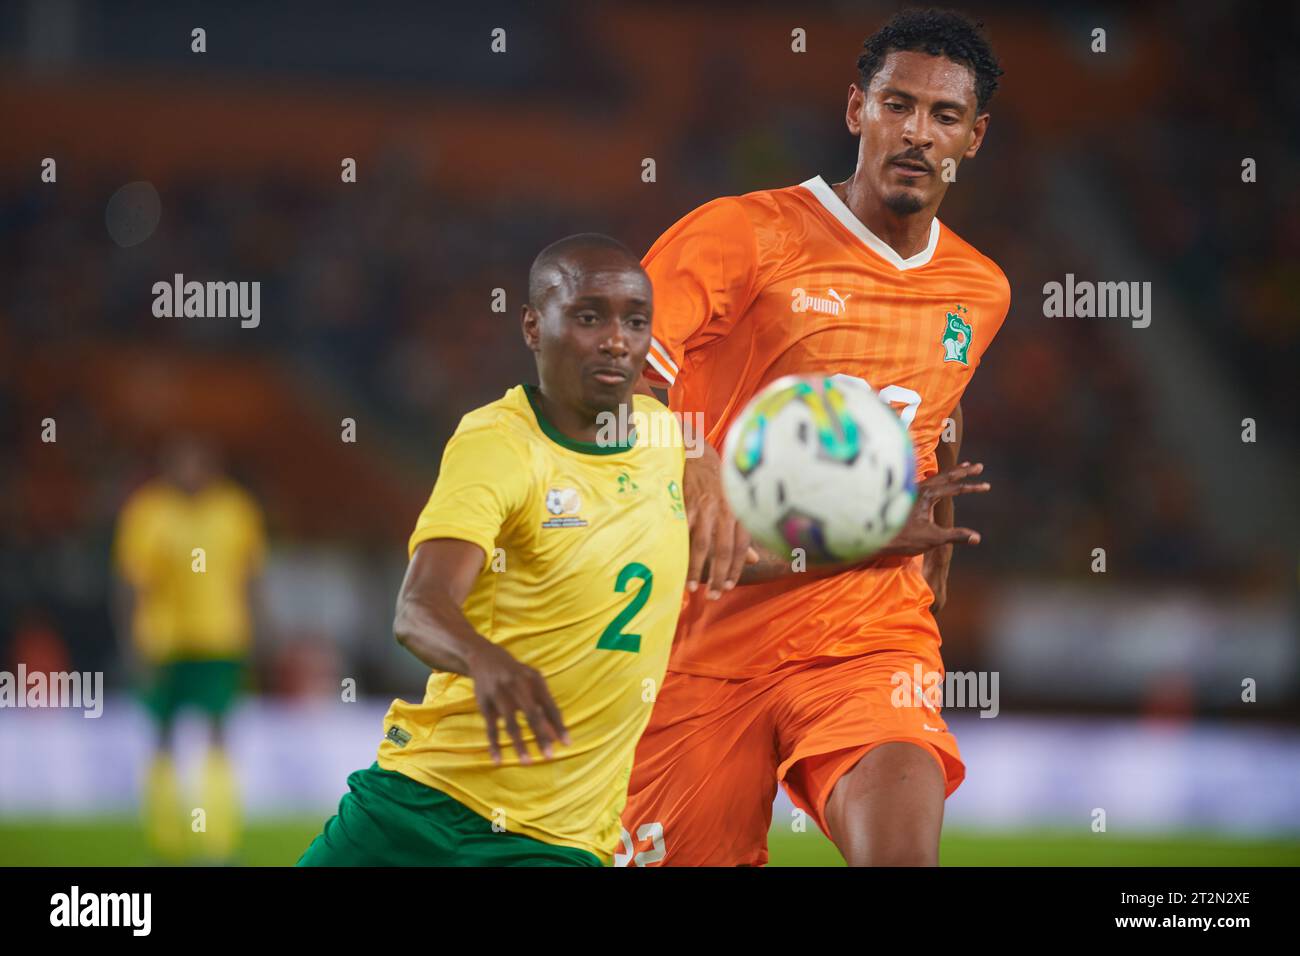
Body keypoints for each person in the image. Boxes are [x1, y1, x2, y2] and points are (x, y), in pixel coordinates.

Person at [617, 8, 1010, 866]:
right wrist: (694, 456)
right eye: (896, 104)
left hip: (870, 639)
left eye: (944, 116)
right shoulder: (744, 232)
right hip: (707, 633)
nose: (916, 133)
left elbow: (939, 402)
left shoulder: (980, 291)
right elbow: (620, 356)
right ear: (854, 110)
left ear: (973, 138)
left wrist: (931, 517)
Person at [298, 234, 689, 866]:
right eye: (589, 317)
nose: (617, 339)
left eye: (635, 321)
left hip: (554, 840)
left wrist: (884, 537)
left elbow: (736, 558)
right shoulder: (498, 445)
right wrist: (485, 660)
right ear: (534, 327)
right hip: (418, 801)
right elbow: (418, 608)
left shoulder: (669, 441)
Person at [112, 437, 266, 863]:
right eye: (185, 462)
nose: (193, 471)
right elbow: (130, 585)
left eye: (201, 462)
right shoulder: (148, 512)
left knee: (219, 731)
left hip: (221, 639)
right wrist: (131, 645)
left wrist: (258, 637)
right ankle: (166, 839)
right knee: (161, 734)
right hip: (162, 642)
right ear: (170, 466)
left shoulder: (235, 510)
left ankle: (217, 840)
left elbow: (251, 578)